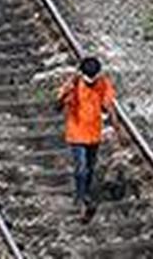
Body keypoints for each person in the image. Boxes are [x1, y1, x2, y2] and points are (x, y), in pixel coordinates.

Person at [58, 56, 117, 220]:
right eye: (88, 78)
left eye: (94, 77)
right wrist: (68, 91)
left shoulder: (103, 82)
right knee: (81, 167)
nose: (91, 81)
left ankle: (84, 192)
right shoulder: (74, 84)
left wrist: (114, 126)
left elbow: (108, 105)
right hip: (77, 133)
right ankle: (82, 197)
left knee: (90, 167)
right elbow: (57, 105)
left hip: (94, 133)